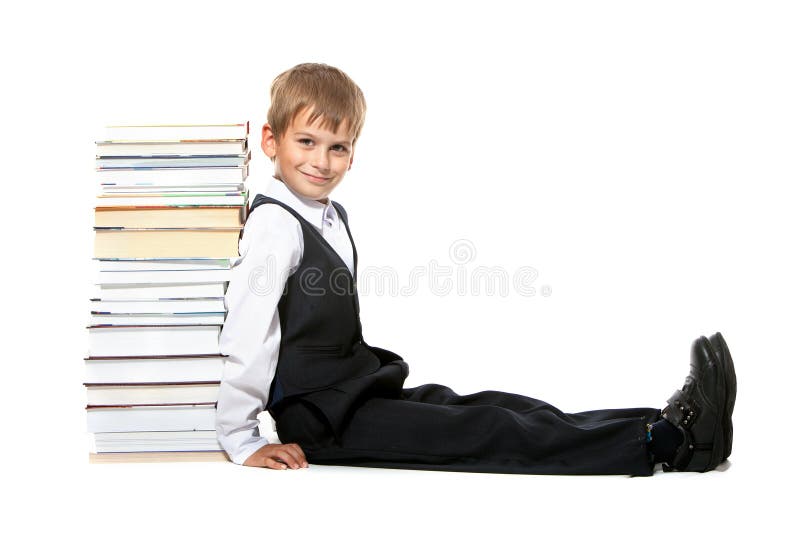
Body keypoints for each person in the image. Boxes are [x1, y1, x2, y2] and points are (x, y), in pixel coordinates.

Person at [215, 62, 737, 475]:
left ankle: (662, 423)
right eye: (306, 142)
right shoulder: (275, 227)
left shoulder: (329, 215)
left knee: (500, 406)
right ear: (271, 142)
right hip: (322, 418)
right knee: (485, 430)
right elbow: (249, 331)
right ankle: (669, 446)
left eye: (337, 148)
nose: (321, 161)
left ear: (353, 155)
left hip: (354, 388)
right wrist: (242, 439)